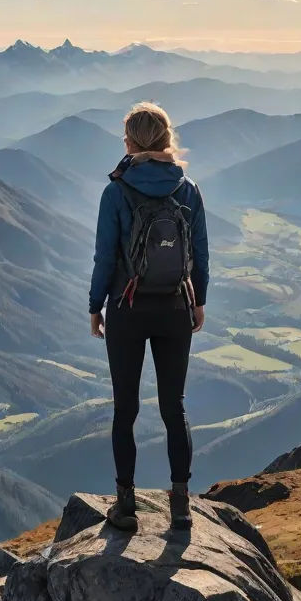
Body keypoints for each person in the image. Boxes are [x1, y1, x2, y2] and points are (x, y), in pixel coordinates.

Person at [88, 101, 209, 532]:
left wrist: (94, 305)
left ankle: (125, 505)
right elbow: (200, 253)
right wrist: (199, 302)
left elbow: (105, 257)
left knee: (126, 409)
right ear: (166, 139)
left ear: (131, 142)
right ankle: (181, 504)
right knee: (173, 406)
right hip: (176, 305)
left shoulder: (116, 191)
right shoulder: (188, 189)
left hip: (127, 308)